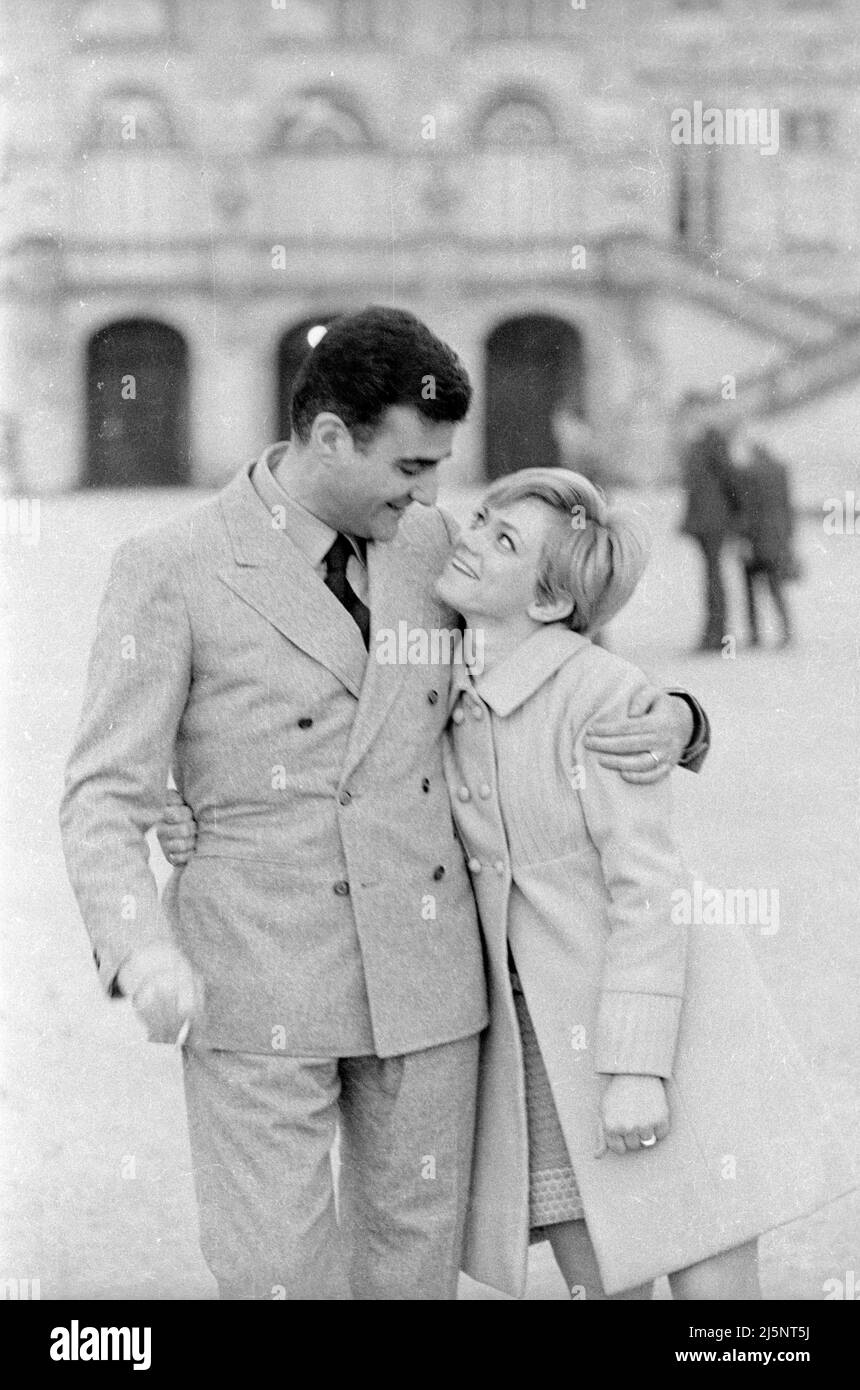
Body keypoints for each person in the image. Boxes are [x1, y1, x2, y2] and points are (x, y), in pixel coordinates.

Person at [62, 306, 707, 1302]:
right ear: (328, 437)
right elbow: (103, 792)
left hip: (428, 983)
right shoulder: (168, 567)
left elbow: (566, 664)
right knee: (274, 1270)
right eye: (410, 468)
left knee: (412, 1271)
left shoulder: (438, 547)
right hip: (253, 976)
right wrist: (139, 942)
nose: (432, 492)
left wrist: (676, 716)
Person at [432, 467, 854, 1300]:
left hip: (665, 1043)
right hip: (544, 1061)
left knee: (721, 1319)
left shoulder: (603, 697)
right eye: (480, 519)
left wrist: (635, 1068)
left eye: (502, 538)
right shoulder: (442, 688)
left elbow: (648, 892)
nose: (469, 537)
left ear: (551, 605)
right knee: (604, 1285)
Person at [729, 424, 798, 649]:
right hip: (777, 539)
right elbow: (788, 506)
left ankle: (755, 634)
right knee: (776, 587)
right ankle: (786, 631)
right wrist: (789, 537)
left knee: (750, 589)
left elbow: (745, 508)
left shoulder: (747, 473)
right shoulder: (780, 470)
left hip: (754, 538)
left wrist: (741, 536)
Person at [678, 403, 739, 652]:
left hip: (711, 521)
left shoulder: (711, 443)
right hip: (705, 520)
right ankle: (714, 632)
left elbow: (730, 480)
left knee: (713, 577)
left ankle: (717, 633)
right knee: (711, 576)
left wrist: (736, 513)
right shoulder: (700, 445)